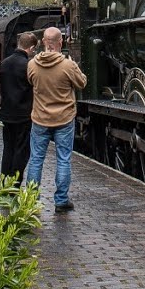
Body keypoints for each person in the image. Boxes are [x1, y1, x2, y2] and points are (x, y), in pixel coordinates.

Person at [25, 26, 87, 212]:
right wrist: (74, 65)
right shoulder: (68, 65)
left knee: (36, 159)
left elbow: (30, 81)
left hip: (40, 118)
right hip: (64, 119)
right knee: (63, 159)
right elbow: (82, 83)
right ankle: (61, 200)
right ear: (61, 42)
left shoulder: (32, 64)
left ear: (44, 42)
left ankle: (31, 200)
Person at [0, 32, 37, 184]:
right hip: (23, 115)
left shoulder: (4, 63)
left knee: (8, 149)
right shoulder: (28, 66)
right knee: (21, 151)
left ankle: (4, 182)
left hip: (7, 113)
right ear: (31, 48)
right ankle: (15, 183)